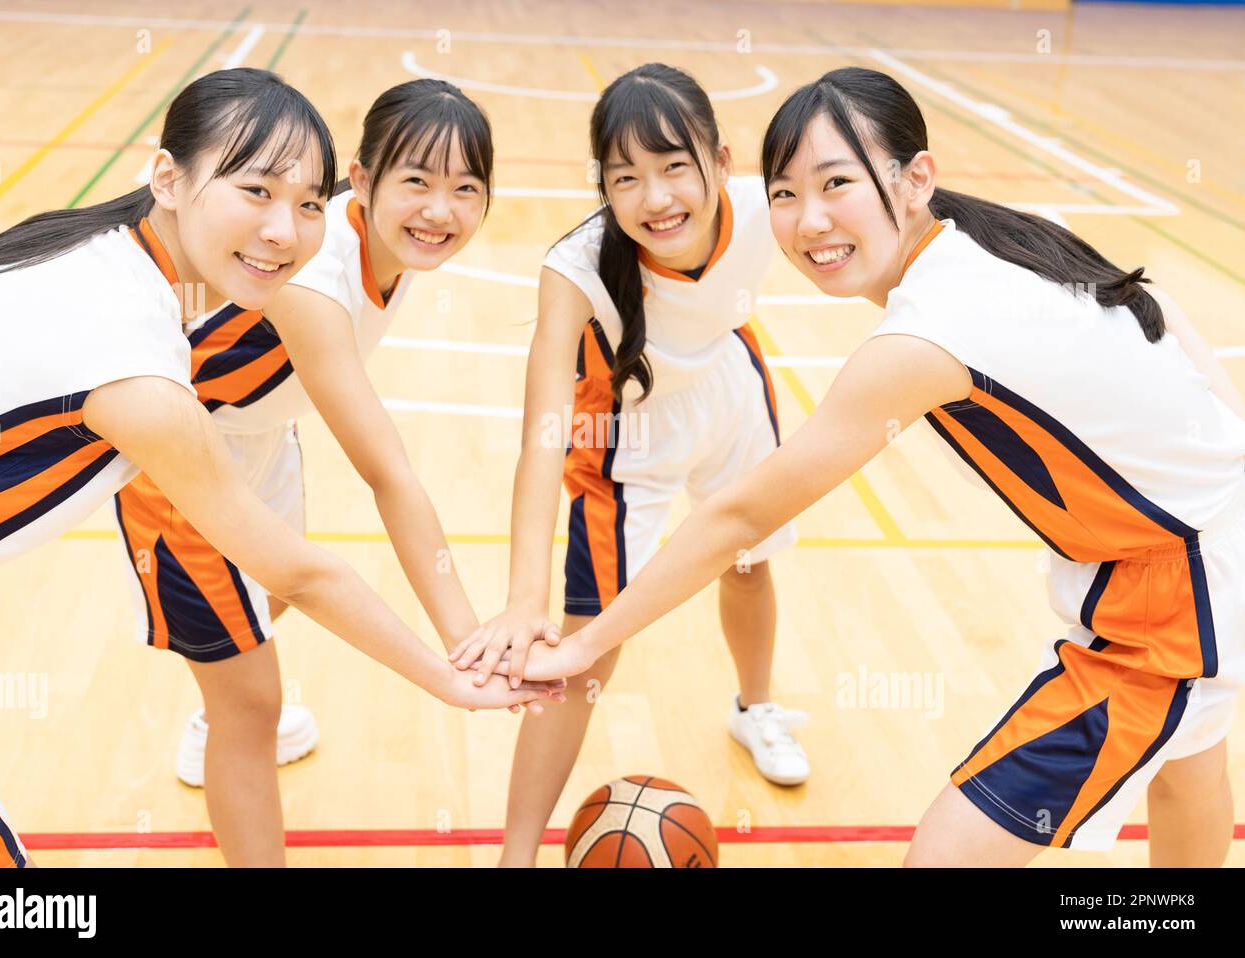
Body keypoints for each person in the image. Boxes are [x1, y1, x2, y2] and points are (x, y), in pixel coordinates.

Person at [502, 66, 1245, 867]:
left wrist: (582, 646)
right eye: (786, 194)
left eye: (837, 185)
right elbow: (1157, 301)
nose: (809, 220)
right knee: (1186, 774)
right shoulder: (986, 240)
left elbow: (742, 515)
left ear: (916, 177)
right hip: (1198, 565)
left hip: (1174, 605)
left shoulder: (919, 342)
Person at [0, 68, 555, 869]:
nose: (284, 229)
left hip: (244, 444)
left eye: (306, 202)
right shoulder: (148, 361)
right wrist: (455, 667)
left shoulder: (114, 258)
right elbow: (347, 521)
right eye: (255, 191)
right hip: (192, 466)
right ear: (166, 177)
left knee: (251, 652)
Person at [114, 79, 508, 866]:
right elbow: (387, 472)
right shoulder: (313, 278)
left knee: (275, 601)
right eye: (418, 182)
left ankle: (216, 708)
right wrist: (465, 640)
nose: (441, 210)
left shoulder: (387, 246)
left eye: (467, 188)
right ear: (361, 179)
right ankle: (222, 724)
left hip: (262, 440)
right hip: (181, 463)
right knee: (251, 708)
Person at [449, 63, 806, 868]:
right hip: (624, 437)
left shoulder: (763, 211)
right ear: (602, 186)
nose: (655, 197)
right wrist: (520, 600)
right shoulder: (574, 271)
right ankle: (516, 857)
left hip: (728, 387)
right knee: (583, 653)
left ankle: (756, 707)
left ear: (720, 162)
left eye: (675, 167)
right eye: (626, 177)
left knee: (747, 565)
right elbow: (542, 434)